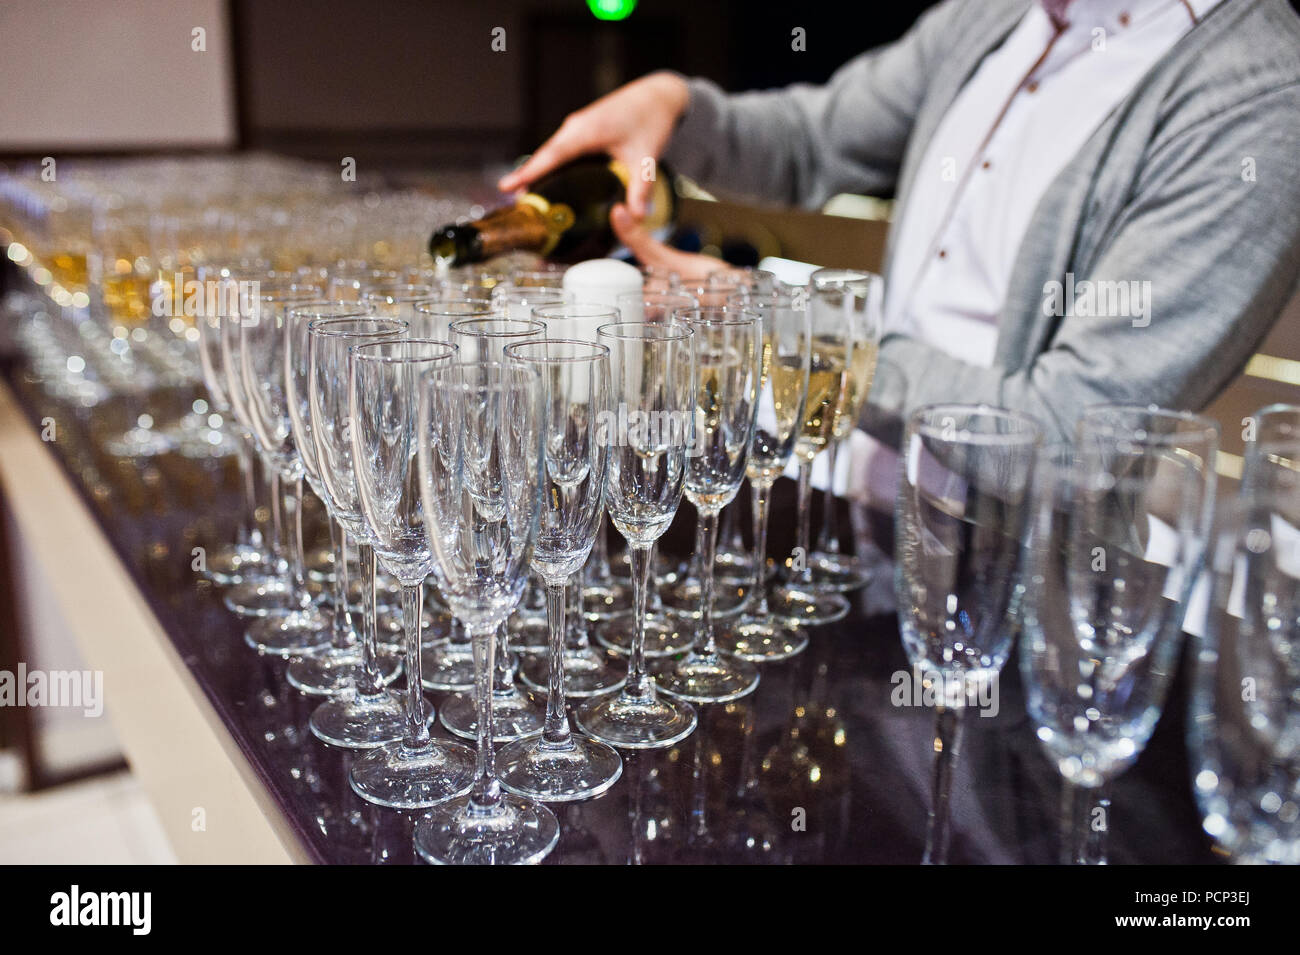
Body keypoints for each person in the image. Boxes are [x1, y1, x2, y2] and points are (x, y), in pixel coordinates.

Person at [500, 0, 1300, 447]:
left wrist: (781, 326)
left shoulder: (1262, 95)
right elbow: (812, 142)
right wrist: (673, 105)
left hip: (1025, 612)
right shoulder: (995, 15)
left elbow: (1072, 433)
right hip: (868, 522)